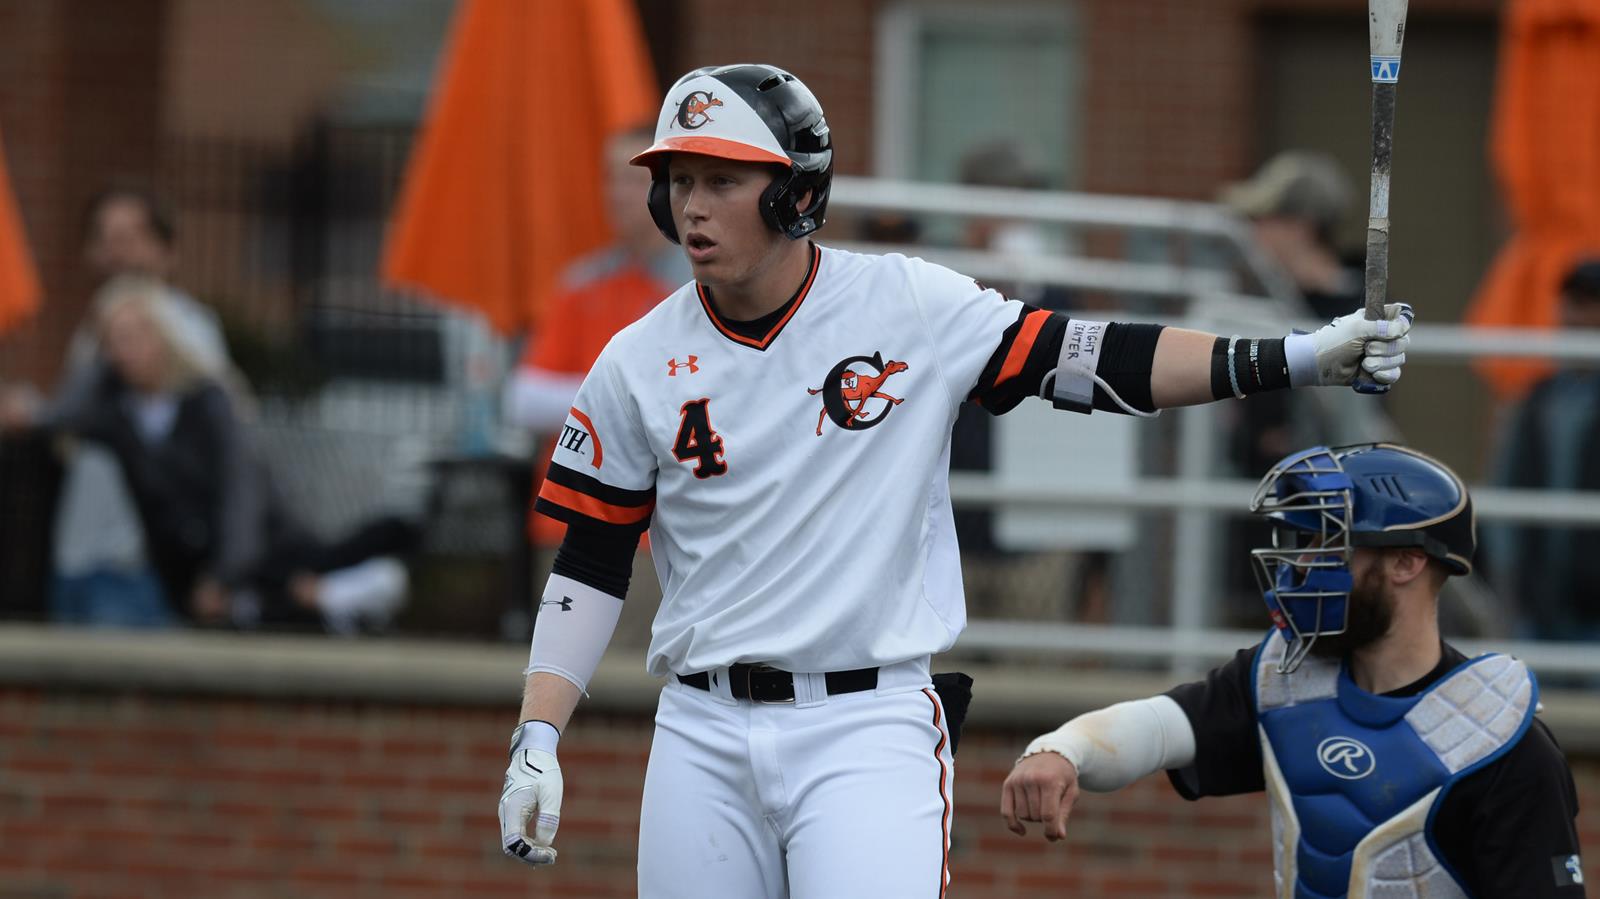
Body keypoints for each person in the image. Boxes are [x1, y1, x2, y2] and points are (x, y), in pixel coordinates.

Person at [496, 64, 1412, 898]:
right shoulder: (633, 359)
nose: (692, 206)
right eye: (680, 181)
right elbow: (590, 560)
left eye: (723, 181)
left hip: (865, 724)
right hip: (699, 725)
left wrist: (1294, 355)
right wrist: (538, 734)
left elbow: (1091, 358)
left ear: (796, 192)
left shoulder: (907, 304)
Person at [1002, 443, 1586, 898]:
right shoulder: (1287, 678)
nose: (1302, 565)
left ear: (1407, 561)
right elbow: (1158, 729)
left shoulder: (1502, 744)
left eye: (1328, 546)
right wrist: (1061, 751)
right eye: (1304, 542)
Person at [1484, 258, 1600, 641]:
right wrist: (1509, 583)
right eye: (1574, 302)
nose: (1580, 315)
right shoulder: (1535, 399)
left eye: (1592, 303)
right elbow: (1503, 493)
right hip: (1539, 600)